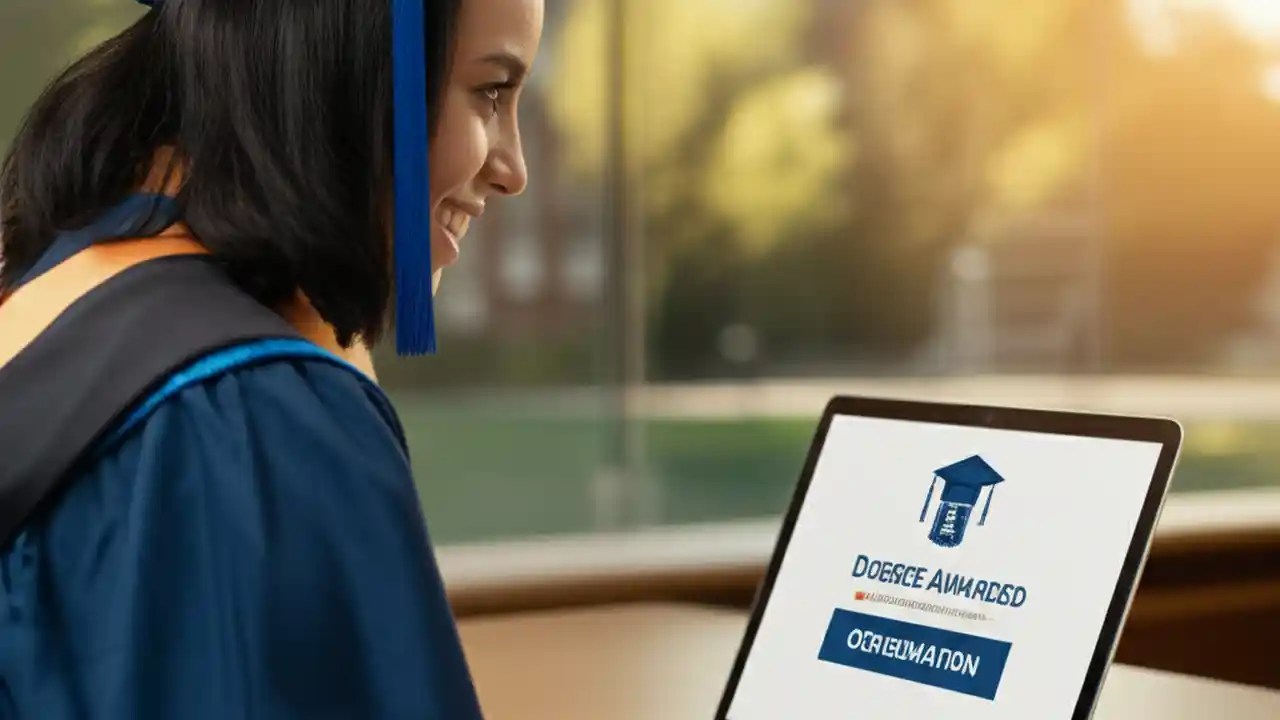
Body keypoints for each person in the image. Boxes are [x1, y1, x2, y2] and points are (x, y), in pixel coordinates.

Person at [0, 0, 543, 717]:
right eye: (490, 92)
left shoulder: (50, 284)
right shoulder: (255, 423)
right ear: (356, 68)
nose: (514, 169)